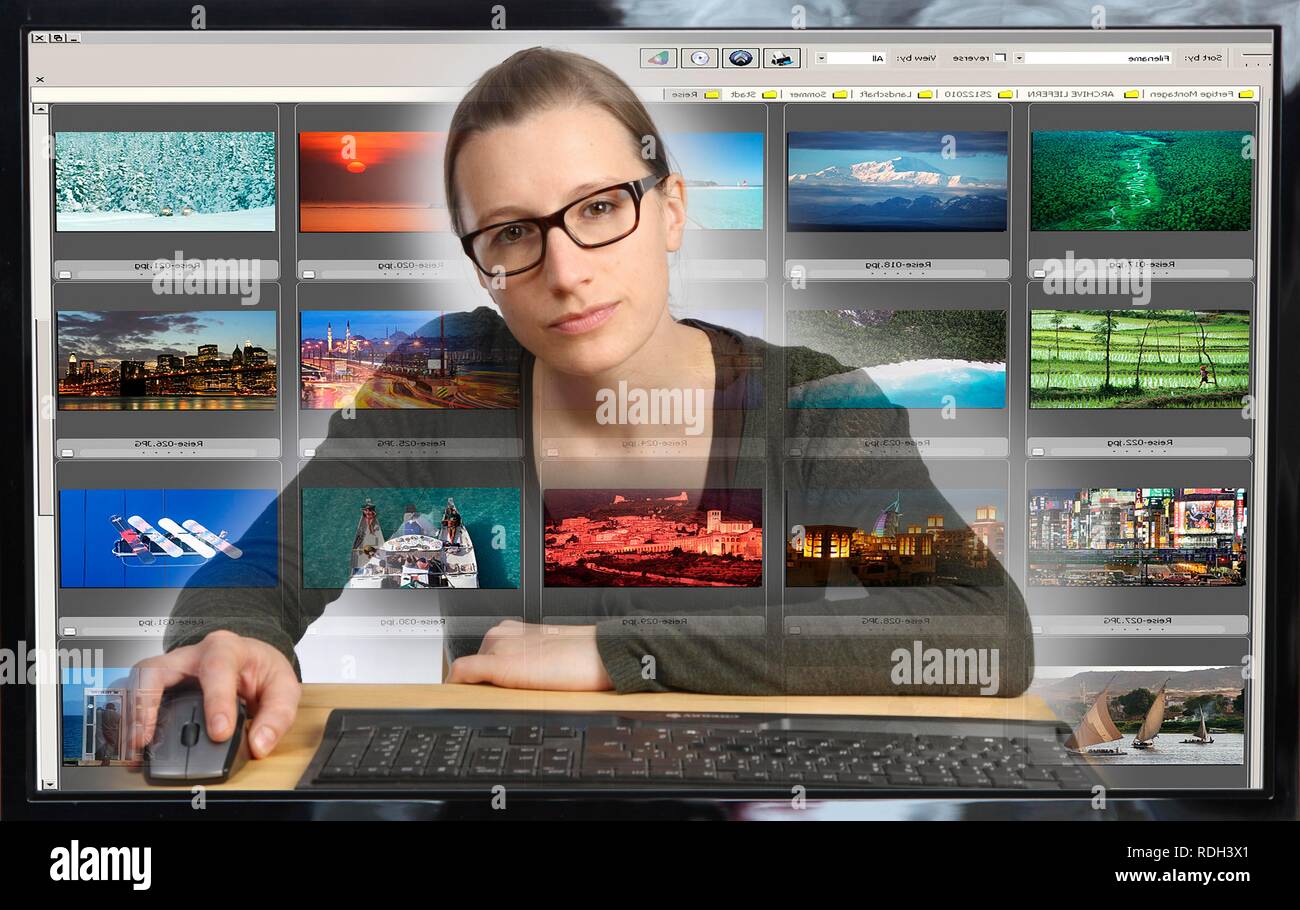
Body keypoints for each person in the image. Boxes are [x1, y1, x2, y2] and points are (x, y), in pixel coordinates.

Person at [129, 47, 1033, 761]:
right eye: (515, 233)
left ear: (671, 208)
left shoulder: (809, 405)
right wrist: (227, 643)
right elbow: (267, 575)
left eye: (599, 208)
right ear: (483, 267)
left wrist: (621, 654)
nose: (566, 272)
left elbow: (984, 633)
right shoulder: (448, 385)